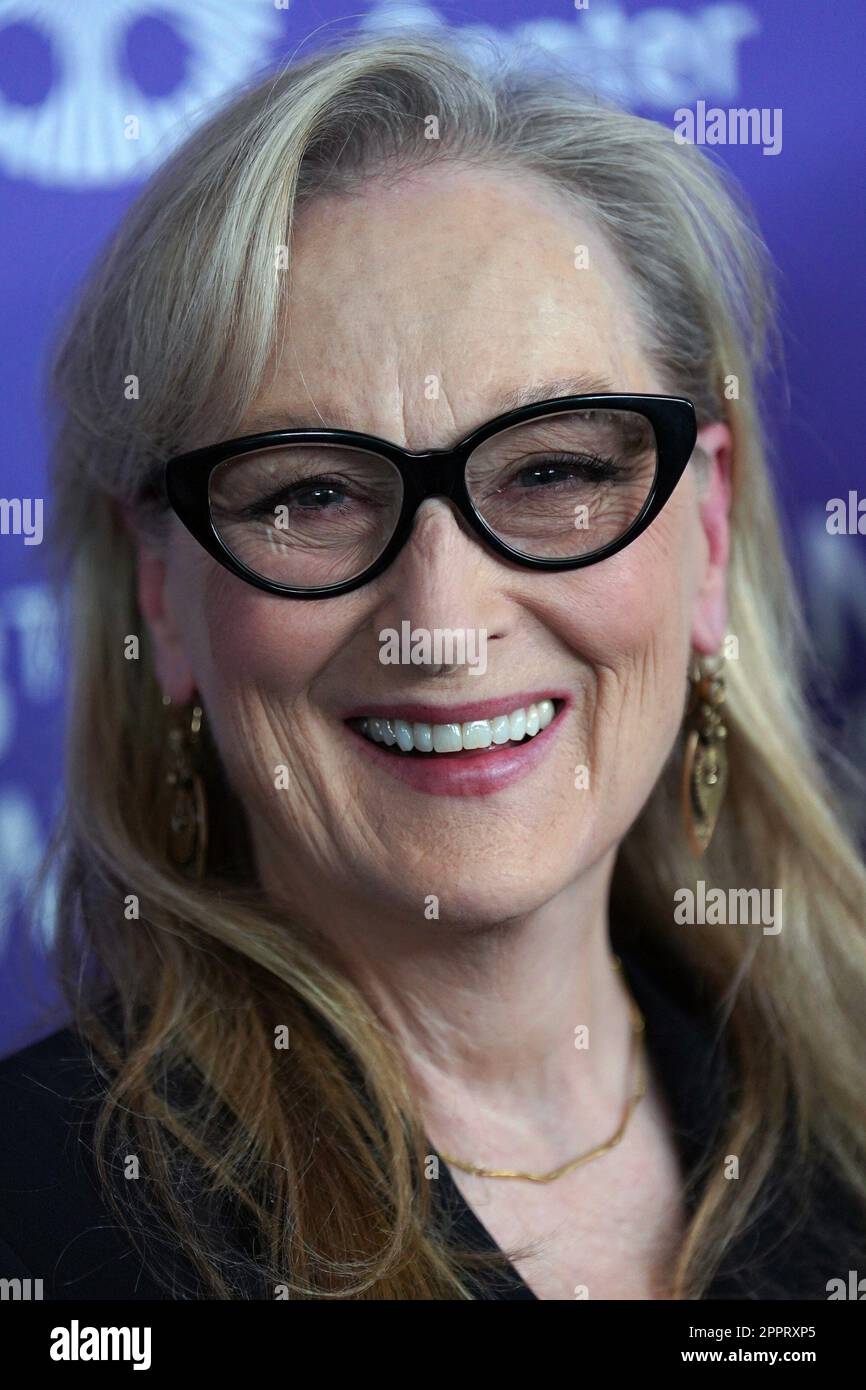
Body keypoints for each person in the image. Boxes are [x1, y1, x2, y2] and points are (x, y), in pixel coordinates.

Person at [2, 29, 865, 1301]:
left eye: (556, 469)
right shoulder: (39, 1234)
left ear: (708, 528)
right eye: (310, 494)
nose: (440, 619)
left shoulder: (833, 1111)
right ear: (162, 600)